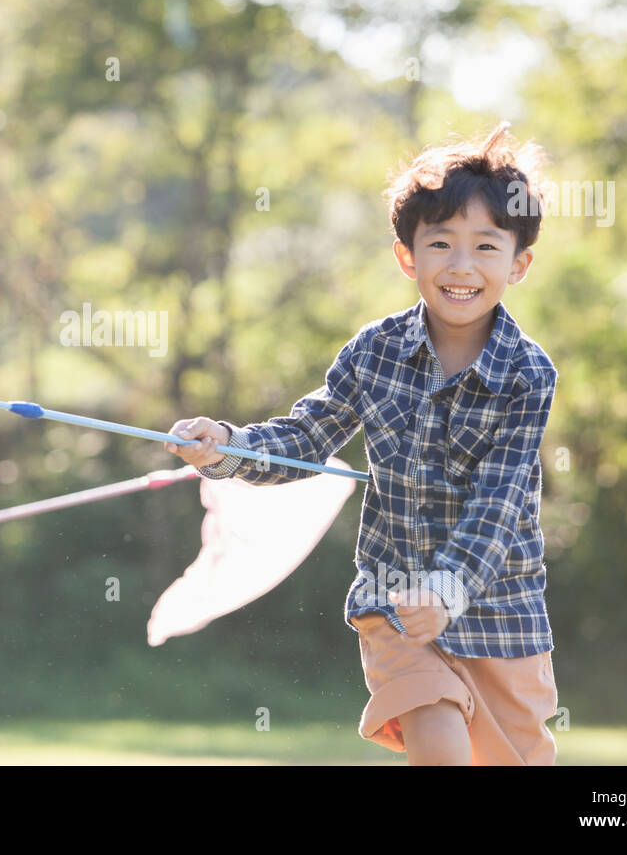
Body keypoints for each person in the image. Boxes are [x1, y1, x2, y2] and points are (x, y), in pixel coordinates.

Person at [165, 122, 559, 766]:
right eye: (440, 244)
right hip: (395, 606)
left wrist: (451, 588)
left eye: (486, 246)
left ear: (518, 264)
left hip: (501, 615)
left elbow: (499, 501)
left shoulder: (528, 374)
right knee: (439, 746)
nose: (461, 266)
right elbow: (303, 438)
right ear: (409, 256)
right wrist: (227, 448)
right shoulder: (373, 352)